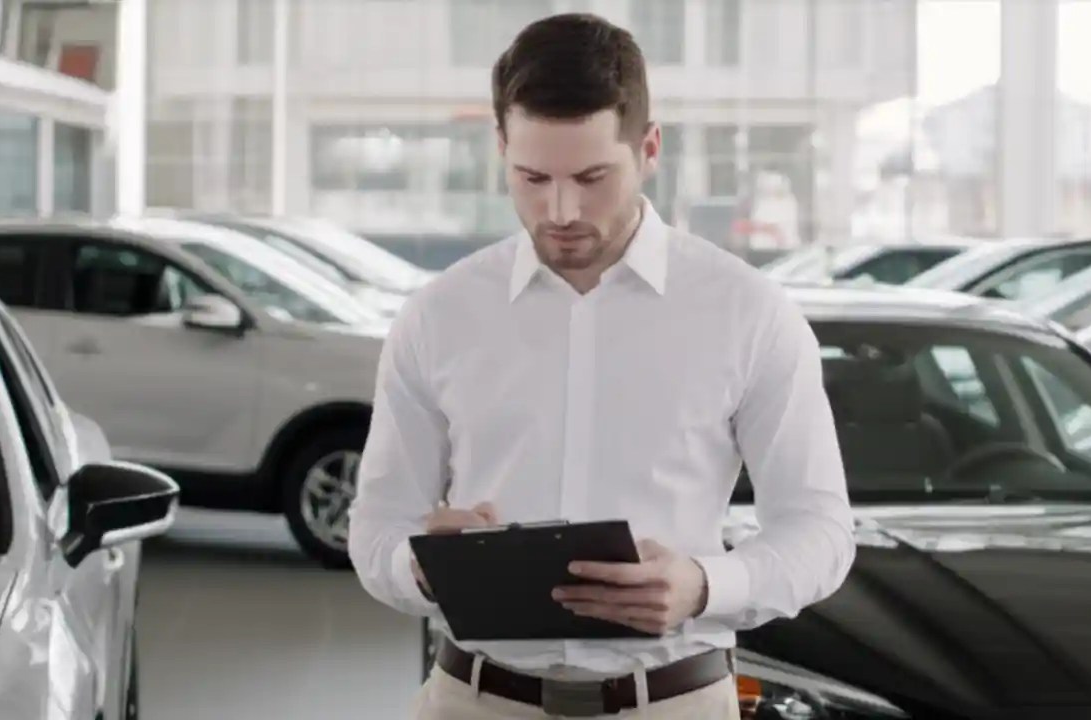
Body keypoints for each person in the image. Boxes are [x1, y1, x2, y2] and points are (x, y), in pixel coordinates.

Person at [348, 12, 855, 719]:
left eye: (592, 177)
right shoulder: (439, 315)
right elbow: (375, 530)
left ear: (649, 148)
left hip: (675, 699)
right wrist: (428, 568)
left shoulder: (749, 312)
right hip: (474, 700)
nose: (560, 210)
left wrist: (705, 585)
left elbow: (822, 533)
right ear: (500, 146)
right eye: (531, 177)